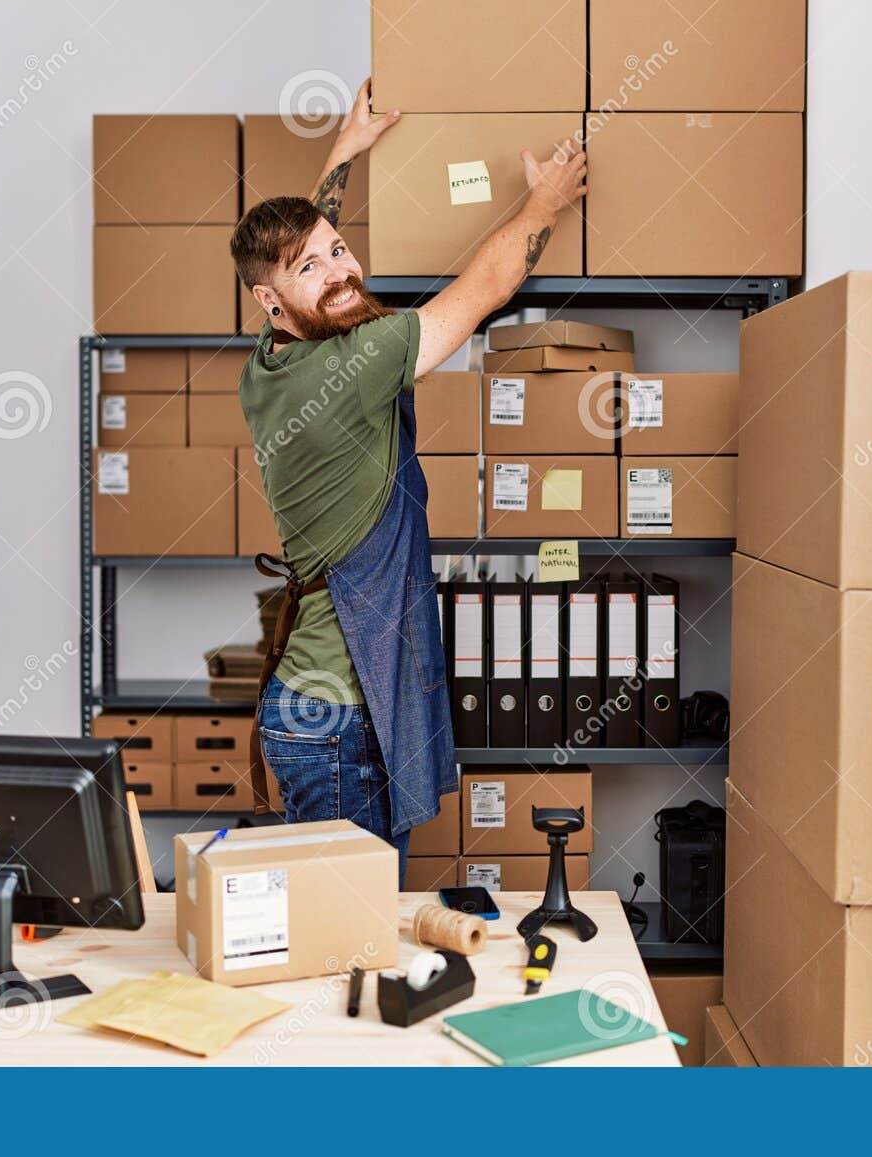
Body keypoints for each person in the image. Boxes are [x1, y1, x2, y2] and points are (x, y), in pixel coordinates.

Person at [229, 78, 587, 877]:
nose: (339, 270)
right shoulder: (360, 362)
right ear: (269, 300)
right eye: (311, 267)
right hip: (341, 721)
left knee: (340, 920)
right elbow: (486, 289)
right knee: (350, 930)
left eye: (339, 249)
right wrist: (547, 202)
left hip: (312, 709)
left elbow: (304, 259)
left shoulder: (267, 365)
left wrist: (343, 152)